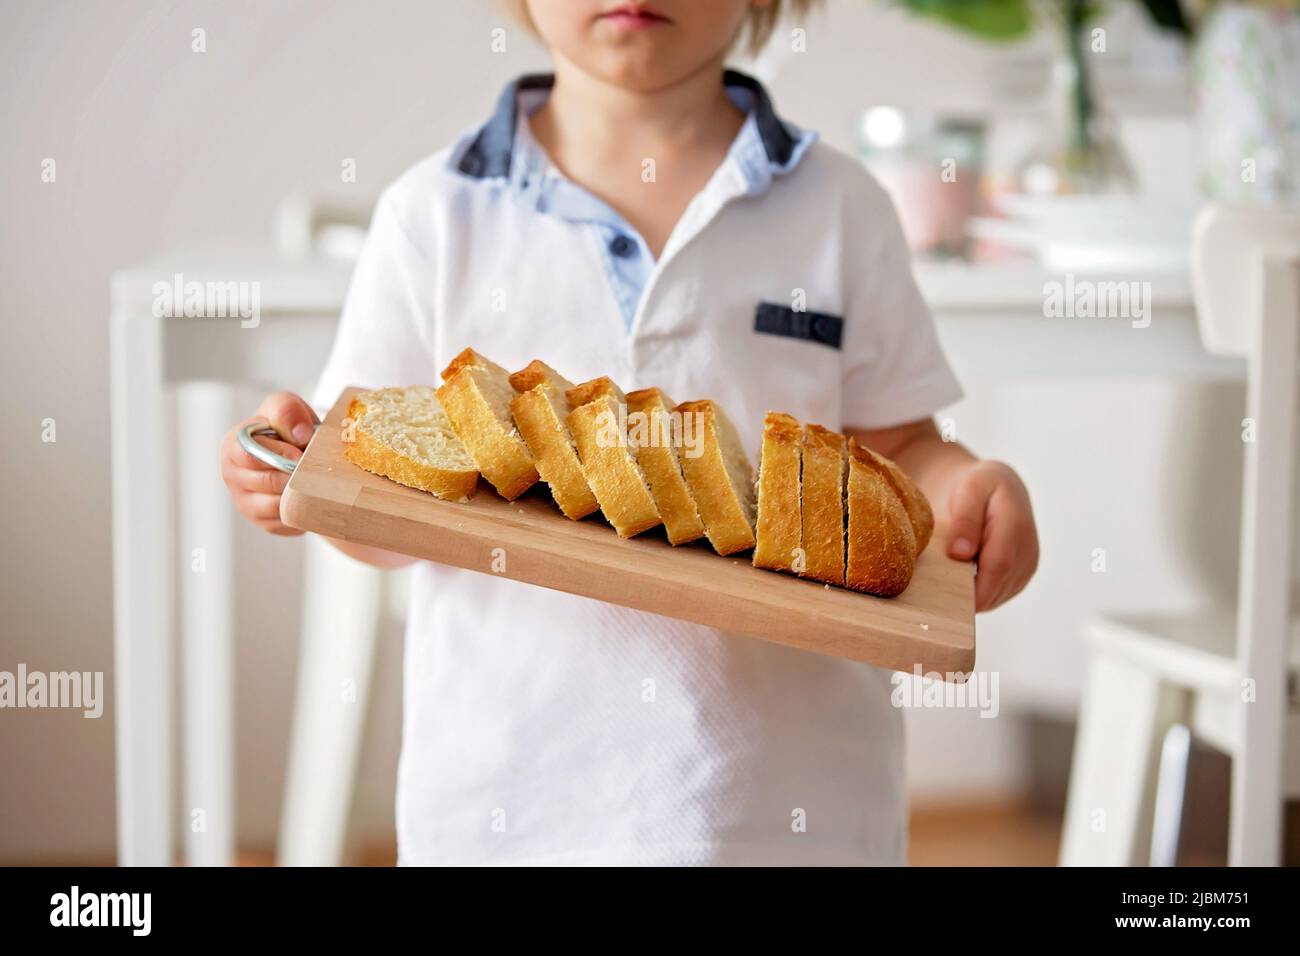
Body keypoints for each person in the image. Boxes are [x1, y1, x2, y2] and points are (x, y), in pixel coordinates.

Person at [221, 0, 1039, 865]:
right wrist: (292, 482)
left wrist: (966, 490)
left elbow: (902, 455)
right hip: (513, 801)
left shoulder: (841, 207)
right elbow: (375, 488)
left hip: (789, 804)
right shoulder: (436, 214)